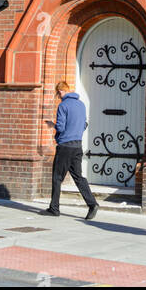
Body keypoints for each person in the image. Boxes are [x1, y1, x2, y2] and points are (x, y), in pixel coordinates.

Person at [45, 81, 99, 219]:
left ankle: (54, 208)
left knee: (57, 177)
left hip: (65, 147)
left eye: (58, 94)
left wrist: (53, 125)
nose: (58, 96)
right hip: (77, 146)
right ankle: (92, 204)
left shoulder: (63, 106)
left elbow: (61, 128)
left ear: (61, 91)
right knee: (78, 177)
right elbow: (84, 124)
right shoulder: (81, 105)